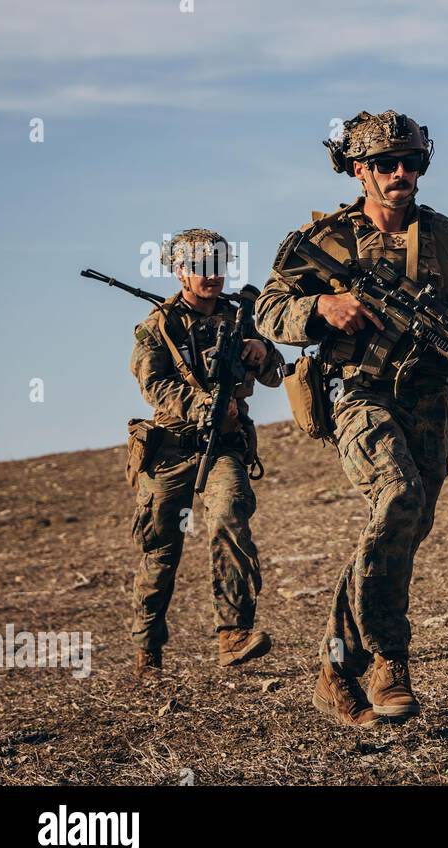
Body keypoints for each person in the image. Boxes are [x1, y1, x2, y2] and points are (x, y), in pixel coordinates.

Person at [256, 111, 448, 727]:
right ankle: (387, 660)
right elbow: (268, 310)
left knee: (401, 526)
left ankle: (333, 669)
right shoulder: (321, 242)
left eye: (412, 162)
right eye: (385, 164)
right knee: (397, 497)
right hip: (356, 393)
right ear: (357, 170)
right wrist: (324, 306)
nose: (401, 174)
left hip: (432, 399)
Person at [129, 229, 283, 679]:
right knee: (160, 549)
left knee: (231, 516)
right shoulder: (157, 326)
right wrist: (203, 405)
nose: (212, 276)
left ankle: (234, 633)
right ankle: (148, 650)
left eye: (217, 266)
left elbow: (276, 375)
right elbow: (153, 386)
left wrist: (262, 351)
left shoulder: (242, 318)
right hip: (170, 449)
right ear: (180, 272)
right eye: (200, 267)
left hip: (224, 445)